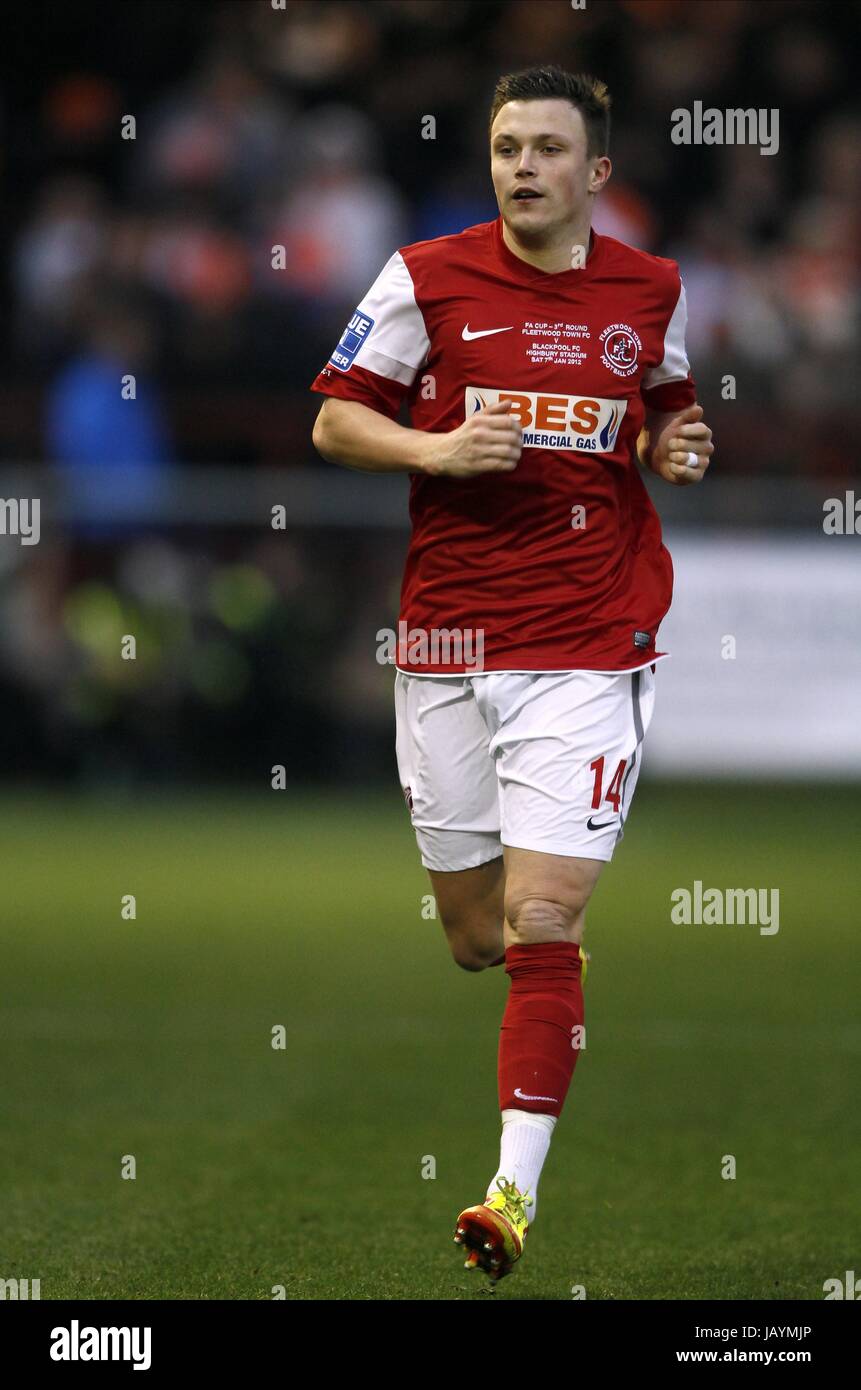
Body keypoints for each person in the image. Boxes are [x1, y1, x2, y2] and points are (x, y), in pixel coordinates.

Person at [310, 64, 713, 1282]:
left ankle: (510, 1194)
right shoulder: (424, 277)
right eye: (505, 147)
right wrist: (435, 446)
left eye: (547, 148)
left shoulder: (650, 286)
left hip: (589, 641)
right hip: (446, 641)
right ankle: (548, 969)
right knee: (477, 936)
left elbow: (666, 404)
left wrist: (675, 444)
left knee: (544, 915)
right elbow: (333, 421)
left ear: (597, 171)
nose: (523, 167)